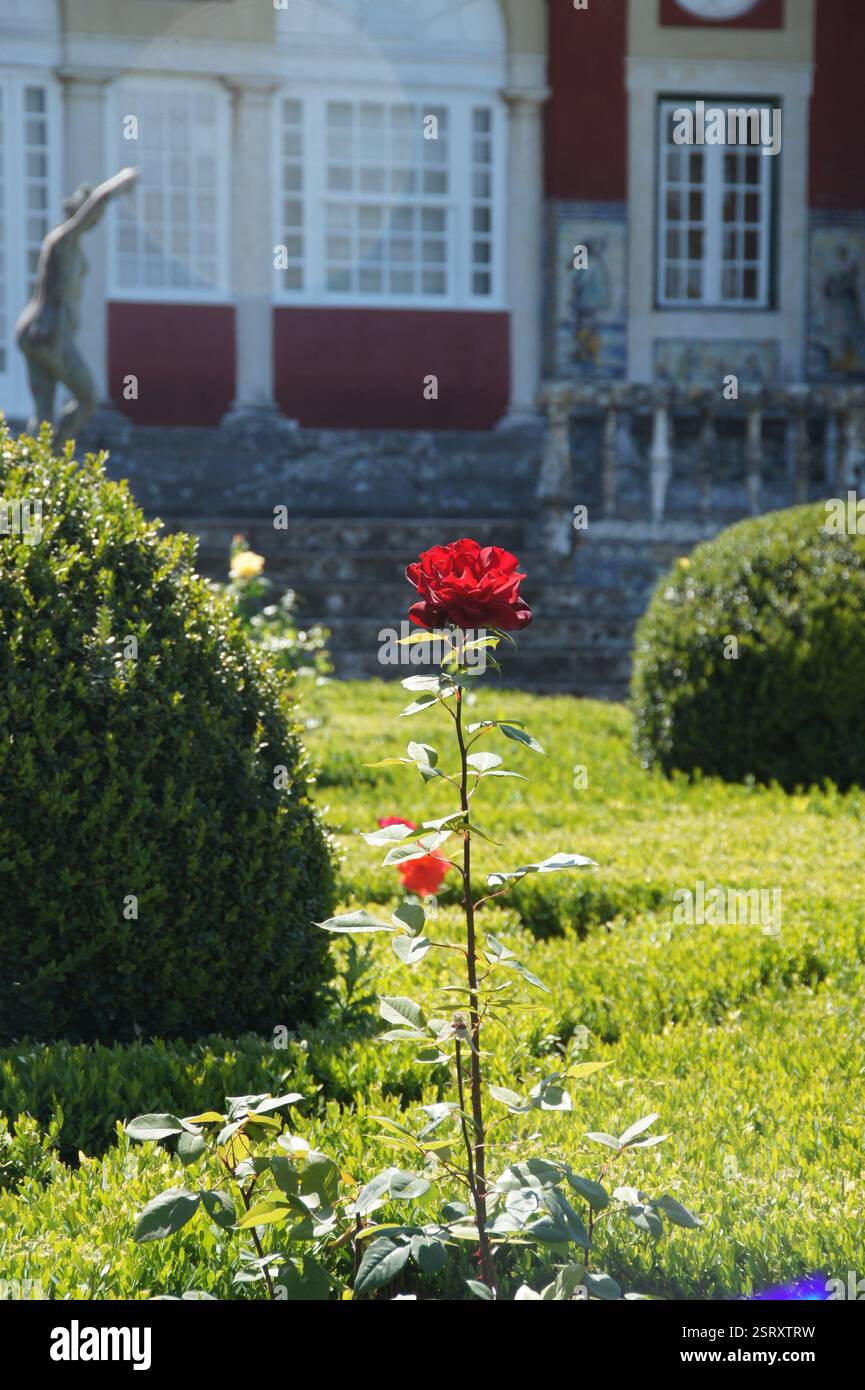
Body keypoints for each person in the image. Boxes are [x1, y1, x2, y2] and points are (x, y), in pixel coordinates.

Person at [15, 166, 139, 446]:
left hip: (40, 331)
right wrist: (121, 182)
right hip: (48, 331)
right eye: (91, 212)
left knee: (44, 411)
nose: (96, 218)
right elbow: (96, 204)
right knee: (88, 398)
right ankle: (54, 455)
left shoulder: (67, 242)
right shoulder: (64, 238)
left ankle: (33, 467)